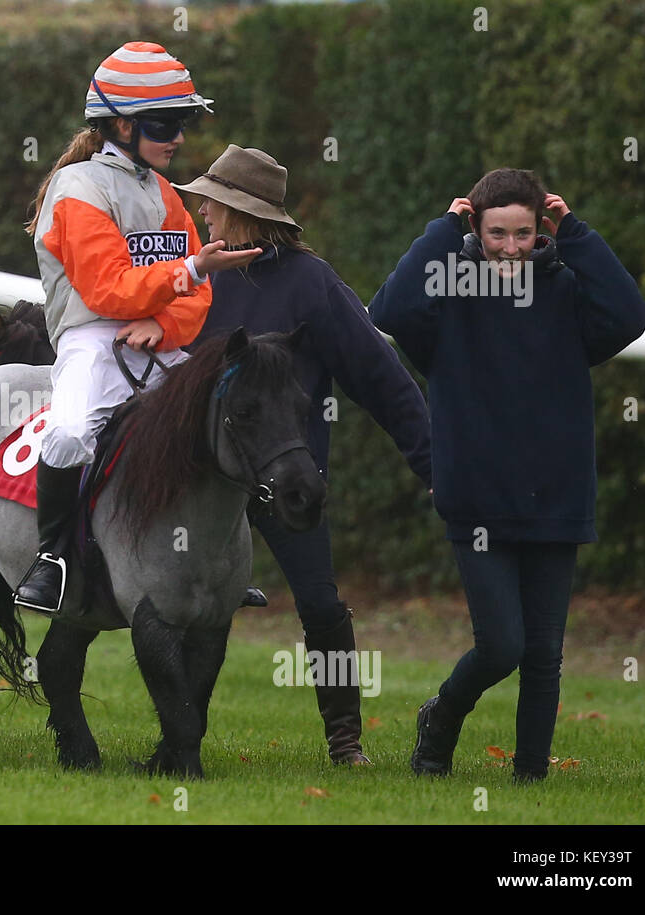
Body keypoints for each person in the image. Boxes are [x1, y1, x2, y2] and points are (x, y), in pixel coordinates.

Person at [369, 168, 645, 782]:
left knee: (544, 653)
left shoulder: (568, 290)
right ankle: (442, 717)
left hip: (557, 495)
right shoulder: (448, 289)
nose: (511, 247)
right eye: (497, 233)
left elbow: (629, 315)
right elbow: (388, 310)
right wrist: (442, 230)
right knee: (501, 645)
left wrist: (576, 232)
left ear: (541, 228)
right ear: (475, 226)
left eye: (524, 233)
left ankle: (530, 778)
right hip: (475, 498)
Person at [177, 145, 433, 765]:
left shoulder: (311, 283)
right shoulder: (195, 275)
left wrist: (433, 465)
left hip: (287, 479)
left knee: (319, 602)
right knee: (186, 607)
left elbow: (381, 378)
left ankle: (345, 741)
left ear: (241, 212)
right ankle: (181, 741)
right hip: (205, 482)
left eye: (212, 202)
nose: (203, 212)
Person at [13, 41, 258, 615]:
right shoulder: (78, 188)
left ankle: (220, 564)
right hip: (90, 336)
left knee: (228, 417)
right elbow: (106, 289)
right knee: (69, 433)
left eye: (182, 124)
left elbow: (198, 296)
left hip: (156, 334)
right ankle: (52, 559)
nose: (178, 138)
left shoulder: (164, 192)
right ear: (123, 125)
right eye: (166, 125)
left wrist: (163, 322)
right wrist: (189, 271)